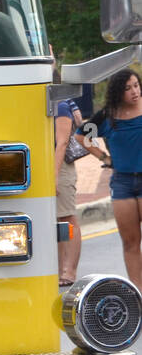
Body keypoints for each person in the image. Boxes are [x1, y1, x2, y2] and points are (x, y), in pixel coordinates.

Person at [87, 69, 142, 291]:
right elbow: (84, 135)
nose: (134, 92)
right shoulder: (107, 116)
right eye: (128, 88)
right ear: (118, 92)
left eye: (137, 85)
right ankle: (138, 293)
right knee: (130, 243)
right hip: (122, 183)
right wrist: (104, 157)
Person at [53, 94, 106, 286]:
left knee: (67, 218)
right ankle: (57, 270)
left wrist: (54, 175)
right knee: (54, 222)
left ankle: (69, 271)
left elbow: (63, 142)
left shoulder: (60, 105)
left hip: (60, 167)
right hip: (49, 165)